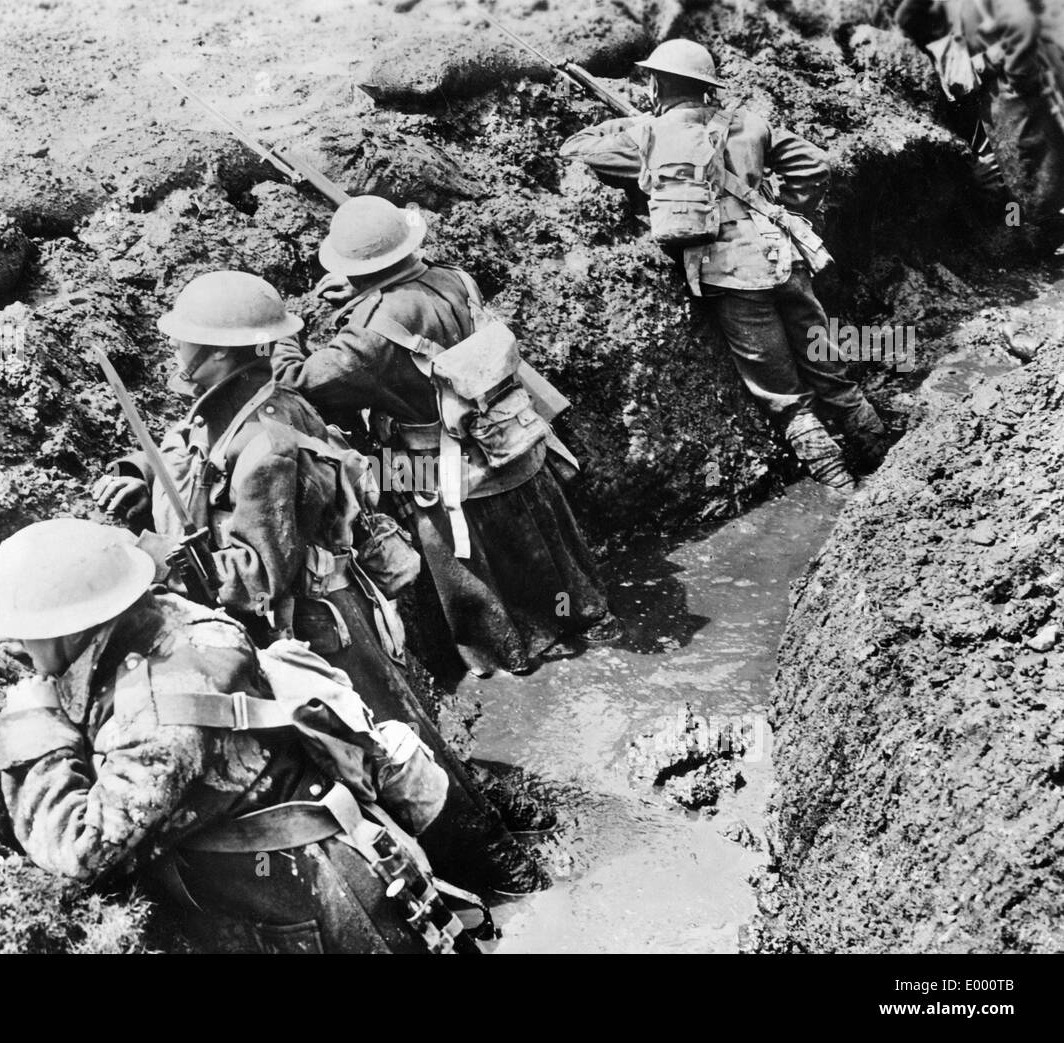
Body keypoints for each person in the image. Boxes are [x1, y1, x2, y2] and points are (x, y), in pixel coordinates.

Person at [92, 270, 546, 894]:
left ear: (220, 353)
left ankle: (479, 868)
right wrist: (140, 471)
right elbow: (190, 446)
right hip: (331, 614)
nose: (175, 351)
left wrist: (156, 554)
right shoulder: (250, 402)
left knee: (377, 750)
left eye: (185, 341)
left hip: (318, 633)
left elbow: (255, 584)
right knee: (392, 736)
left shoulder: (265, 446)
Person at [0, 518, 475, 953]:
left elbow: (80, 852)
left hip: (326, 911)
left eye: (25, 630)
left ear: (75, 627)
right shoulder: (170, 617)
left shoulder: (159, 720)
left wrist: (34, 733)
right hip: (332, 872)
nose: (9, 643)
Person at [271, 195, 623, 679]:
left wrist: (283, 337)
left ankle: (509, 663)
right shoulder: (456, 278)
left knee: (475, 593)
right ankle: (582, 623)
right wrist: (361, 295)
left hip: (445, 477)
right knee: (558, 577)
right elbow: (414, 303)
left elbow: (297, 387)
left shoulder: (369, 336)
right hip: (517, 448)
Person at [560, 39, 892, 492]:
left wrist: (632, 122)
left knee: (784, 395)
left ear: (656, 83)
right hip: (785, 258)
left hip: (731, 274)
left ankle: (842, 488)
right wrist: (788, 210)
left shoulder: (650, 134)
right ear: (706, 86)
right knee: (827, 366)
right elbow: (813, 165)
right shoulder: (749, 122)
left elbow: (579, 148)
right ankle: (890, 462)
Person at [896, 0, 1064, 253]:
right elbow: (906, 19)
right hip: (979, 98)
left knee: (1018, 177)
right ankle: (1022, 231)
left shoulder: (1013, 11)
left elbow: (1021, 57)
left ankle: (1025, 233)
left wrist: (981, 64)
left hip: (1010, 103)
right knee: (1011, 176)